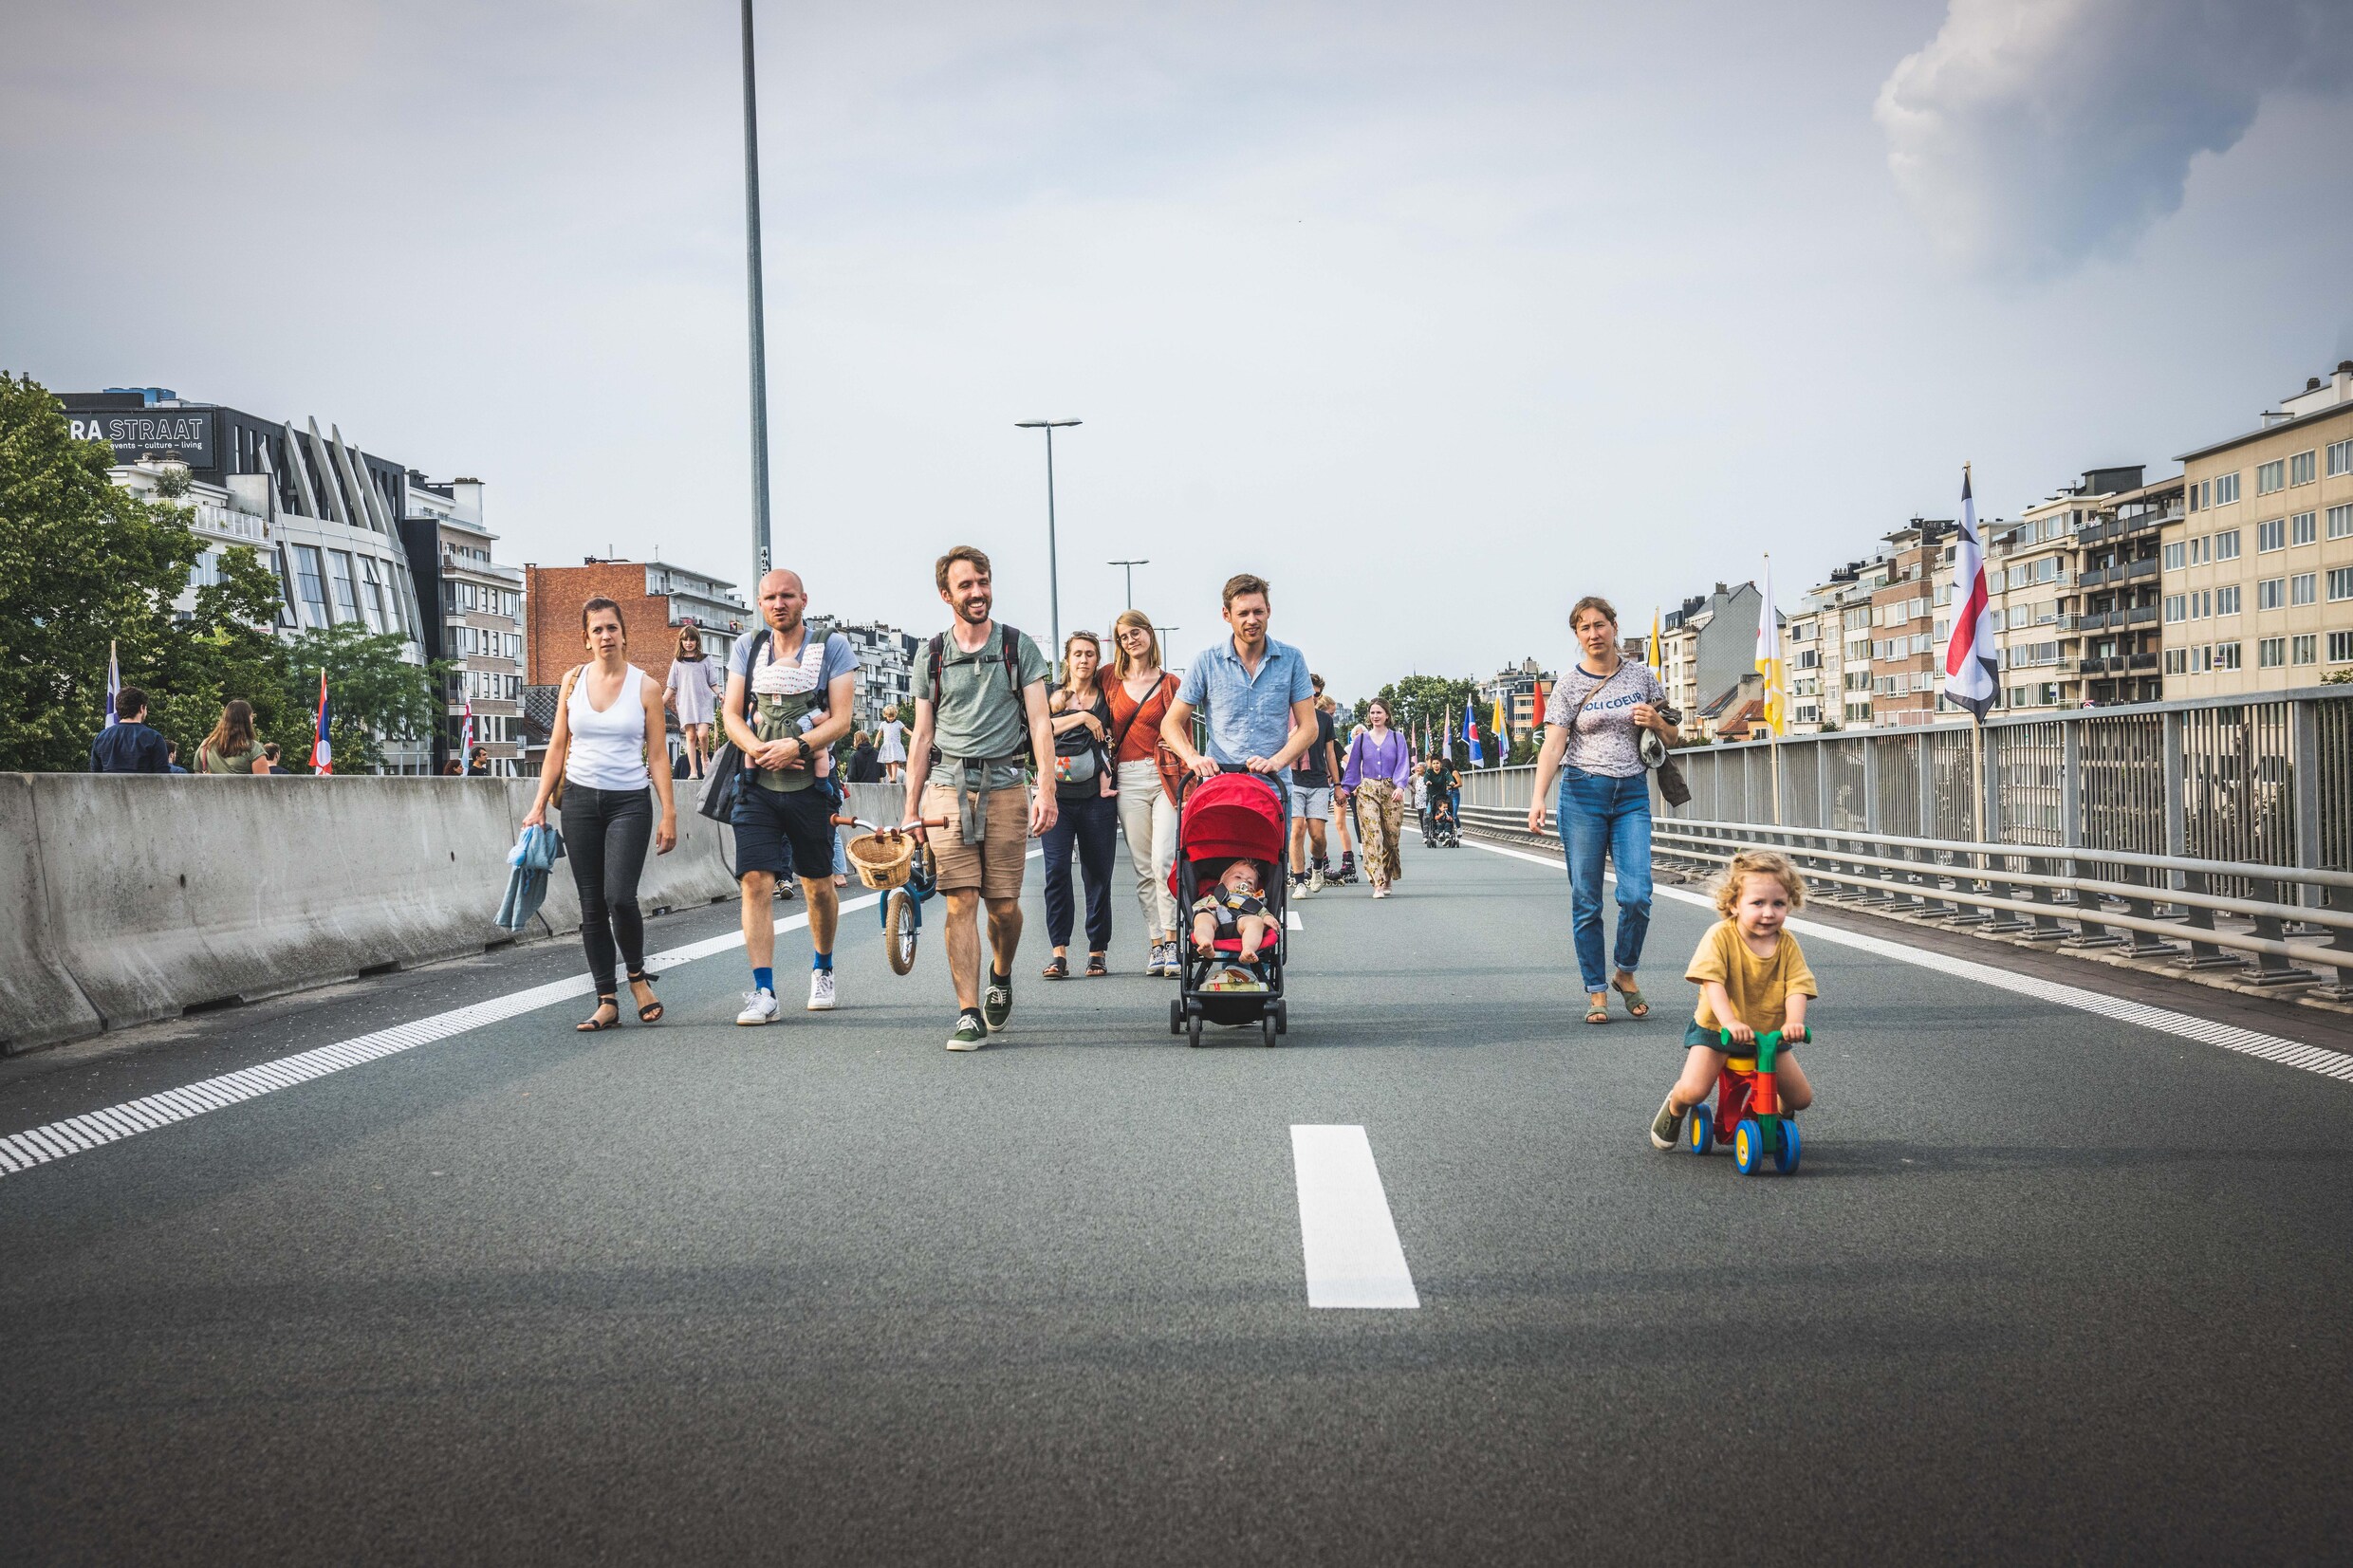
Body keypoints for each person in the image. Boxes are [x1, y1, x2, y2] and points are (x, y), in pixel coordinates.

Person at [903, 545, 1056, 1050]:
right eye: (966, 585)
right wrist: (910, 809)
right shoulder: (932, 654)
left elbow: (1039, 722)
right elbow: (922, 736)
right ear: (946, 594)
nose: (978, 593)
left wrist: (1046, 790)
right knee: (959, 902)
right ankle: (968, 1011)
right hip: (947, 789)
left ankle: (1002, 971)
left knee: (1004, 909)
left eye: (983, 582)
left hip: (1008, 786)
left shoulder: (1017, 647)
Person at [521, 597, 679, 1032]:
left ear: (624, 633)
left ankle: (637, 977)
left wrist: (669, 813)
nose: (606, 636)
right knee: (590, 905)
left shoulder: (645, 686)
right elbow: (556, 746)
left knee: (619, 897)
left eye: (612, 628)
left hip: (629, 801)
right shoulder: (572, 681)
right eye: (597, 630)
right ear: (586, 638)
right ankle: (605, 1000)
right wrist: (538, 806)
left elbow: (659, 757)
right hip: (577, 800)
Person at [1526, 595, 1679, 1026]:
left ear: (1614, 626)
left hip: (1631, 793)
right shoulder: (1570, 685)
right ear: (1577, 636)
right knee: (1586, 899)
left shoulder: (1642, 677)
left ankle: (1625, 973)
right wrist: (1538, 797)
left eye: (1599, 625)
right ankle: (1596, 990)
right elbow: (1553, 744)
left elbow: (1673, 736)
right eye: (1584, 628)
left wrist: (1657, 722)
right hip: (1582, 795)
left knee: (1637, 895)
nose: (1593, 634)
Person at [721, 568, 858, 1024]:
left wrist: (796, 746)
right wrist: (758, 749)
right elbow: (732, 714)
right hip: (758, 785)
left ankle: (822, 968)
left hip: (810, 786)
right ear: (760, 604)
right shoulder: (749, 646)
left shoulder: (831, 646)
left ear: (803, 599)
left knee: (817, 886)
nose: (777, 604)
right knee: (755, 881)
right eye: (768, 598)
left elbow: (841, 720)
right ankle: (764, 991)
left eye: (786, 596)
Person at [1650, 849, 1817, 1150]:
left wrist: (1794, 1022)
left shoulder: (1788, 944)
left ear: (1789, 904)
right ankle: (1675, 1107)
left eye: (1778, 904)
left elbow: (1797, 985)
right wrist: (1730, 1021)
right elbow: (1713, 982)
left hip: (1767, 1034)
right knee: (1695, 1090)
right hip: (1718, 1029)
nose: (1769, 912)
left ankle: (1775, 1116)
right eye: (1758, 903)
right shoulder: (1720, 936)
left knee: (1801, 1098)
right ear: (1734, 904)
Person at [1162, 573, 1317, 791]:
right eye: (1243, 613)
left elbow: (1309, 727)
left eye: (1258, 611)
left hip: (1273, 787)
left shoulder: (1291, 659)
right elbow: (1170, 723)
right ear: (1227, 614)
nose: (1252, 620)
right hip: (1220, 788)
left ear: (1269, 611)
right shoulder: (1207, 662)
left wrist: (1276, 762)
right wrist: (1192, 757)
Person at [1102, 609, 1182, 976]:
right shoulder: (1110, 680)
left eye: (1136, 632)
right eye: (1123, 636)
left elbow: (1183, 732)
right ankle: (1155, 944)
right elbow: (1071, 693)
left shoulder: (1170, 684)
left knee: (1163, 861)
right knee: (1142, 868)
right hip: (1127, 779)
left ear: (1149, 634)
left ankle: (1171, 941)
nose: (1130, 640)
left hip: (1165, 777)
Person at [1040, 631, 1119, 980]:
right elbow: (1040, 730)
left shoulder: (1106, 698)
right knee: (1056, 872)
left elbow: (1114, 742)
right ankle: (1059, 952)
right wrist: (1083, 718)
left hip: (1096, 800)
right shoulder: (1051, 694)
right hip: (1056, 801)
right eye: (1077, 654)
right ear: (1067, 659)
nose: (1083, 659)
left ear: (1096, 660)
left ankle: (1097, 951)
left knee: (1097, 875)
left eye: (1090, 654)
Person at [1339, 698, 1413, 897]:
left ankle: (1387, 875)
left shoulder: (1397, 738)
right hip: (1368, 789)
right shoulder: (1361, 740)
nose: (1375, 716)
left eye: (1379, 712)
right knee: (1372, 835)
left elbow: (1403, 764)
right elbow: (1353, 766)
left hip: (1392, 790)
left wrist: (1400, 785)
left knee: (1391, 837)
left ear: (1387, 715)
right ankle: (1377, 883)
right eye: (1372, 713)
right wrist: (1346, 789)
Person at [1286, 673, 1343, 895]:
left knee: (1318, 835)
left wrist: (1337, 785)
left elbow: (1330, 754)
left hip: (1318, 781)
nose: (1313, 699)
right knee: (1297, 830)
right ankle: (1299, 880)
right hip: (1292, 779)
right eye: (1309, 694)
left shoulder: (1324, 720)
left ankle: (1317, 866)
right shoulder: (1286, 716)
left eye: (1317, 695)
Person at [1190, 858, 1275, 989]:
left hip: (1240, 924)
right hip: (1216, 920)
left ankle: (1248, 949)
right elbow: (1195, 908)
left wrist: (1268, 917)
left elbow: (1263, 912)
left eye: (1250, 882)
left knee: (1256, 922)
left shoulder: (1254, 900)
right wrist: (1206, 906)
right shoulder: (1213, 897)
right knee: (1202, 917)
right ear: (1222, 882)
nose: (1244, 882)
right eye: (1238, 877)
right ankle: (1205, 943)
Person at [665, 625, 725, 779]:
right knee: (691, 736)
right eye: (685, 639)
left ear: (697, 641)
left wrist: (720, 694)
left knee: (703, 735)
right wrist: (660, 701)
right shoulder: (678, 662)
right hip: (686, 703)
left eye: (692, 639)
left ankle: (704, 757)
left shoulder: (705, 660)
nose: (689, 642)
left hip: (703, 702)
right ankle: (693, 771)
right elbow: (672, 686)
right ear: (681, 642)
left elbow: (712, 682)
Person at [89, 687, 172, 773]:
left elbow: (95, 774)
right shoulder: (154, 738)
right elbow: (163, 776)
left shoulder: (101, 737)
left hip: (109, 786)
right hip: (142, 786)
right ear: (141, 708)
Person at [1324, 695, 1360, 883]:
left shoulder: (1333, 742)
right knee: (1316, 827)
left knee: (1340, 823)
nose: (1332, 718)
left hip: (1337, 784)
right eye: (1330, 714)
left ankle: (1348, 861)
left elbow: (1348, 760)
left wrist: (1356, 780)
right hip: (1318, 783)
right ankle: (1321, 862)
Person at [193, 700, 269, 775]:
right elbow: (265, 784)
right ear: (246, 720)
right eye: (251, 716)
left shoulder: (206, 745)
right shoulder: (253, 748)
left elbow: (198, 775)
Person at [875, 702, 908, 783]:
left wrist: (914, 735)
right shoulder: (883, 724)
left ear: (895, 715)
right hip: (887, 745)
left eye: (892, 716)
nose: (890, 718)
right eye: (889, 717)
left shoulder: (898, 723)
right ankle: (890, 777)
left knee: (893, 761)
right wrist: (876, 742)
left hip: (895, 745)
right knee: (887, 763)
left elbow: (906, 730)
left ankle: (893, 777)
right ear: (885, 715)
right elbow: (879, 734)